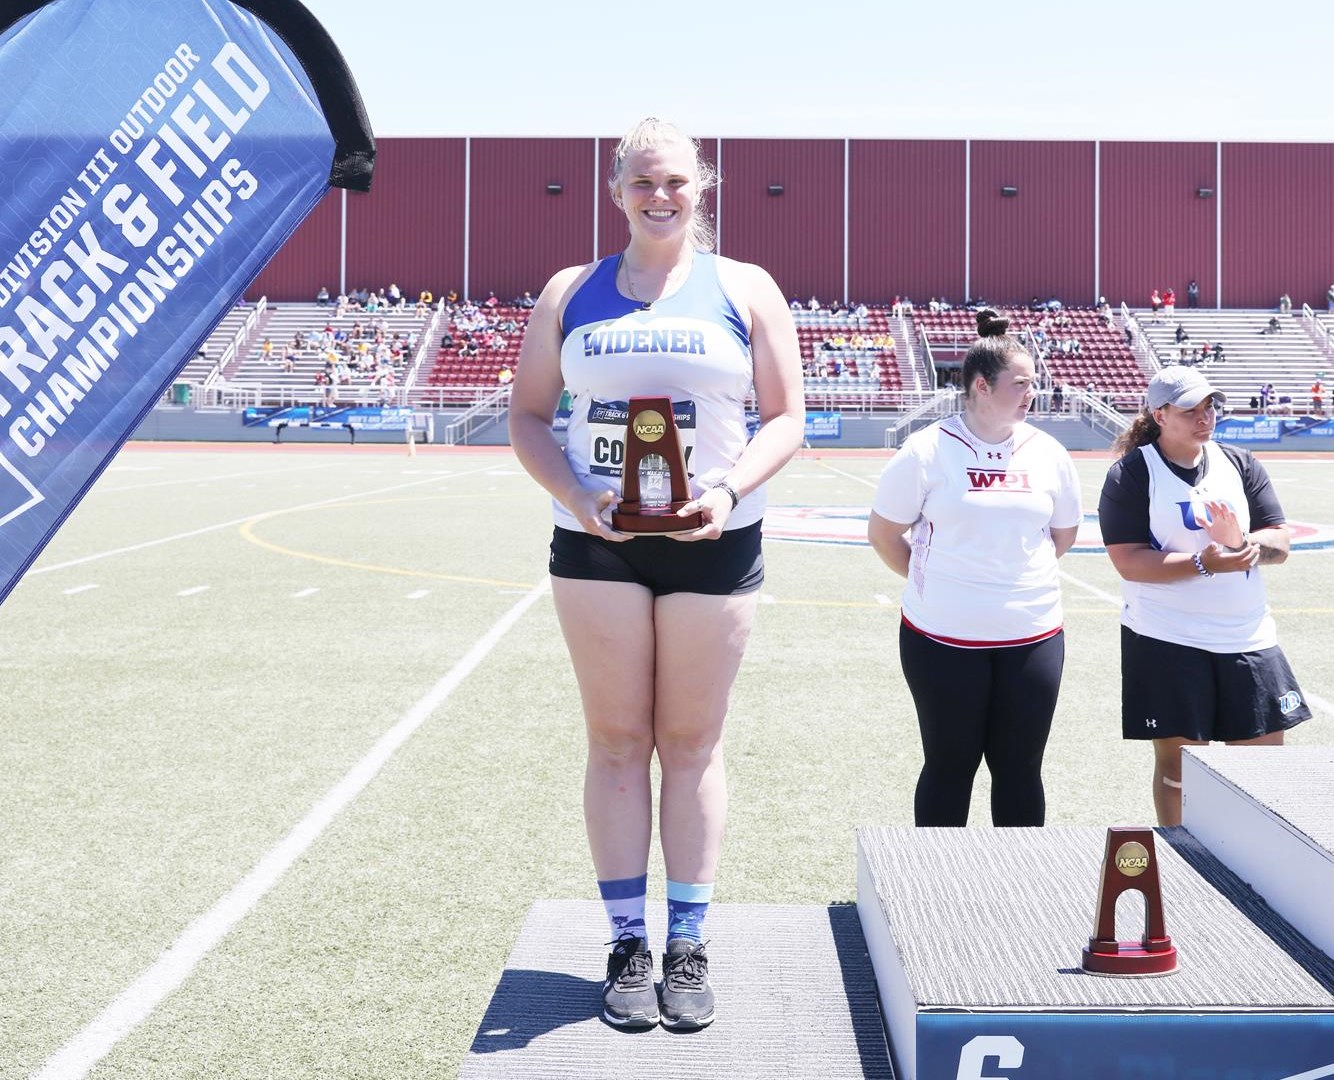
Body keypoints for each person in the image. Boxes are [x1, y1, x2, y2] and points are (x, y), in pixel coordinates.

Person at [508, 117, 804, 1032]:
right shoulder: (570, 291)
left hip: (715, 536)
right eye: (642, 182)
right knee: (613, 738)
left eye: (674, 180)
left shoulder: (745, 287)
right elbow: (527, 416)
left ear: (701, 185)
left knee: (691, 741)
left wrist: (727, 489)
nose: (659, 195)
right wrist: (574, 493)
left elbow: (786, 417)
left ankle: (688, 943)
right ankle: (627, 942)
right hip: (597, 541)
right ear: (616, 192)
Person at [867, 309, 1083, 829]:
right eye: (1021, 383)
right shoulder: (926, 451)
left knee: (1020, 770)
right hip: (940, 639)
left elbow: (1062, 535)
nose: (1033, 392)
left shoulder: (1049, 453)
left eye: (1034, 382)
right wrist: (941, 584)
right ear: (981, 386)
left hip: (1032, 637)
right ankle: (935, 876)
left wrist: (1010, 584)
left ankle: (1017, 876)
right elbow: (884, 535)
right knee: (950, 766)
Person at [1098, 366, 1310, 827]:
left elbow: (1280, 540)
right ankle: (1181, 855)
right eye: (1190, 410)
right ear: (1159, 415)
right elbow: (1129, 561)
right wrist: (1202, 563)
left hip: (1247, 636)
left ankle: (1257, 861)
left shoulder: (1239, 463)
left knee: (1264, 774)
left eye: (1210, 407)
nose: (1204, 417)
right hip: (1167, 639)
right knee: (1179, 772)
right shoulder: (1132, 474)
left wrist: (1245, 546)